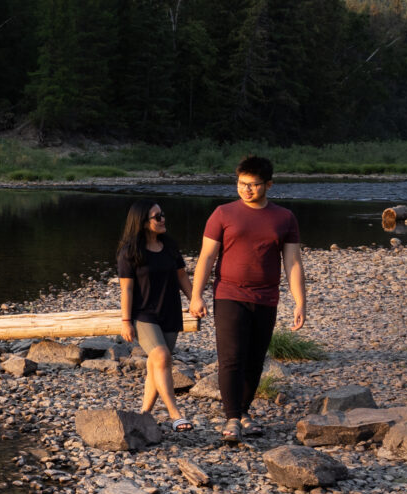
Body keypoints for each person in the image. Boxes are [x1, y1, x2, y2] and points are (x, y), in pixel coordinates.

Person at [190, 155, 308, 444]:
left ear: (268, 184)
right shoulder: (223, 213)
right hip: (229, 294)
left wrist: (300, 302)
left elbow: (292, 262)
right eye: (242, 183)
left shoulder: (284, 218)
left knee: (255, 360)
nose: (246, 189)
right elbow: (206, 257)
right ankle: (232, 417)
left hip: (266, 297)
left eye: (253, 185)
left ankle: (243, 412)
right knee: (231, 358)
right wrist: (196, 295)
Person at [114, 199, 192, 429]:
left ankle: (144, 414)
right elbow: (127, 289)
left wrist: (195, 299)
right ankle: (175, 414)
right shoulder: (129, 252)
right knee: (161, 356)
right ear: (142, 222)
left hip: (170, 312)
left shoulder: (169, 246)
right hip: (143, 314)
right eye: (157, 217)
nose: (163, 219)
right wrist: (126, 321)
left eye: (162, 214)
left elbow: (181, 276)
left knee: (155, 364)